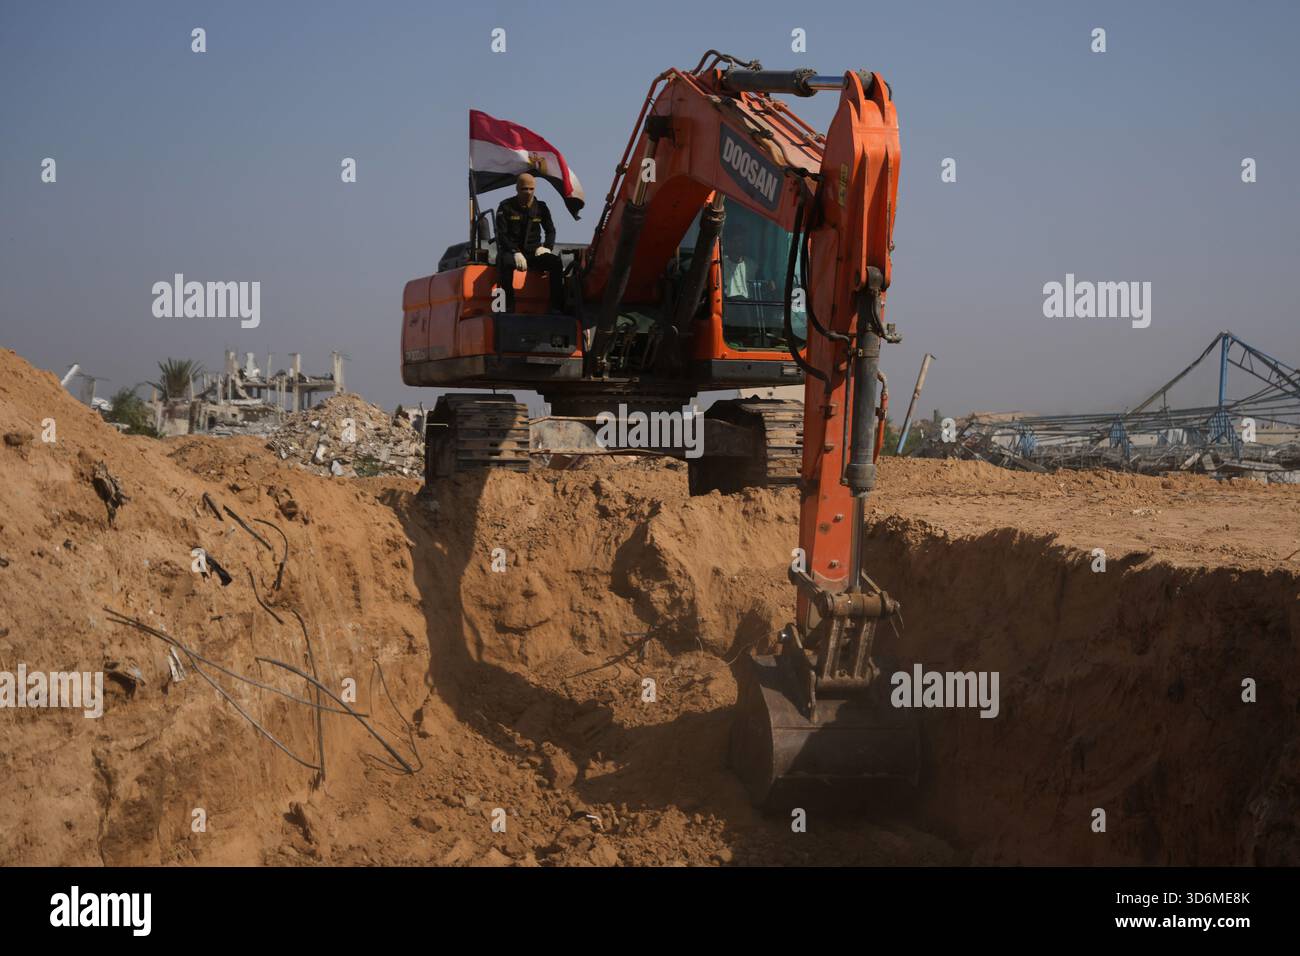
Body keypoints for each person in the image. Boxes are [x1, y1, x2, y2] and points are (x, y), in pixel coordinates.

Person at [495, 173, 564, 312]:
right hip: (512, 252)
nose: (528, 192)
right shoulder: (506, 207)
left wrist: (547, 248)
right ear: (517, 189)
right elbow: (501, 235)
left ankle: (555, 307)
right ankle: (507, 306)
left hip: (534, 252)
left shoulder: (541, 208)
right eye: (524, 189)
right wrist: (515, 252)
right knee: (505, 263)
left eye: (531, 189)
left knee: (556, 262)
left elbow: (550, 230)